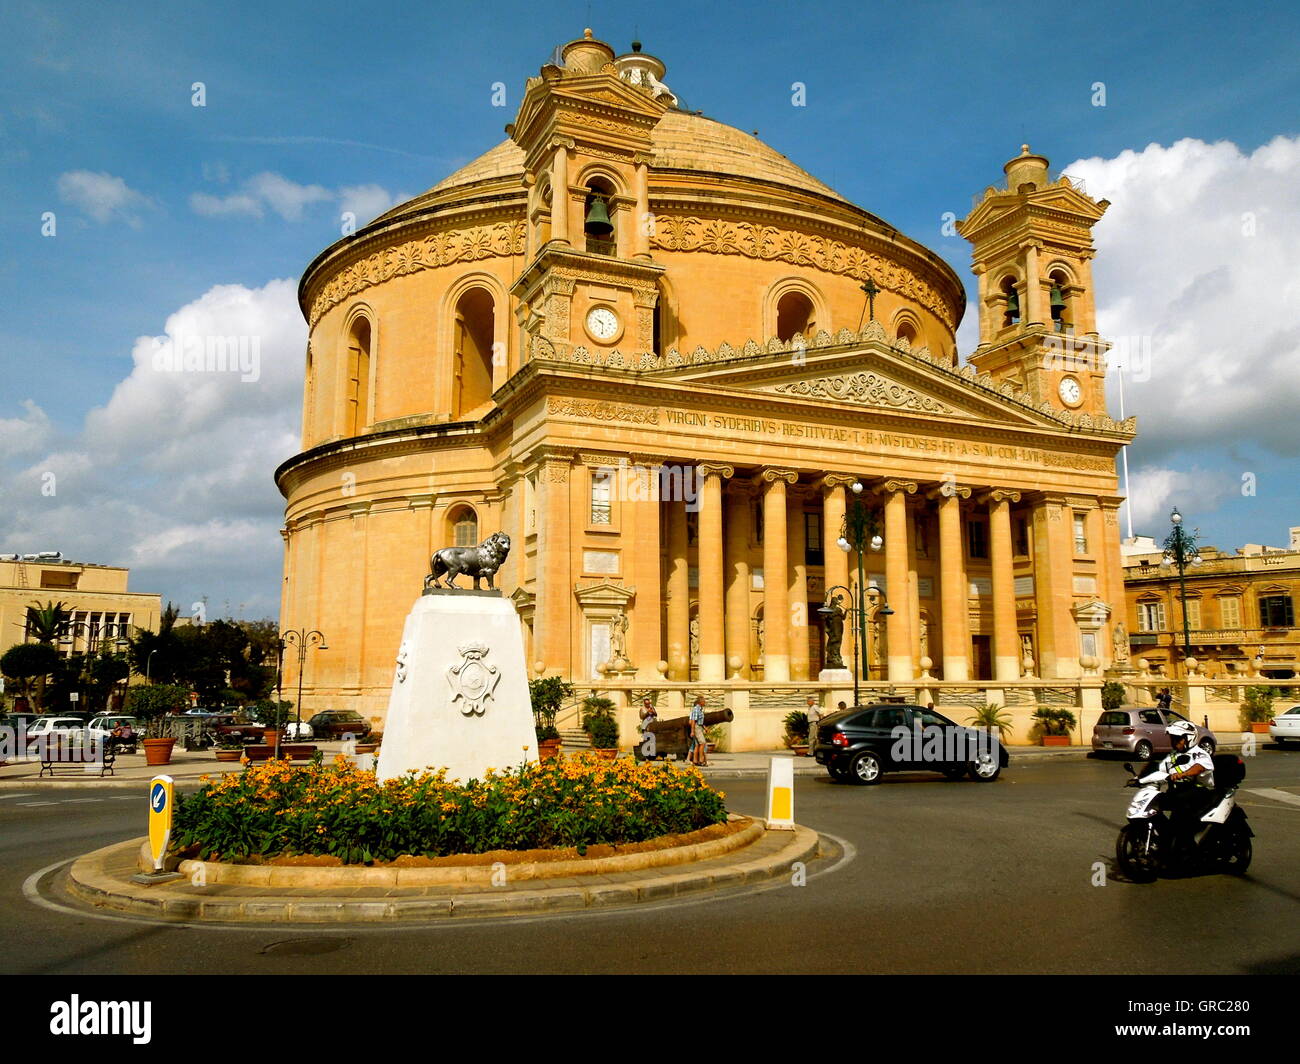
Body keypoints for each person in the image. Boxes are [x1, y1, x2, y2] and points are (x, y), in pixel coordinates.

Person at [1145, 719, 1215, 859]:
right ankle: (1166, 838)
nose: (1174, 741)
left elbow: (1200, 767)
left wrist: (1184, 774)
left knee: (1181, 810)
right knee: (1154, 802)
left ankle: (1186, 845)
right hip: (1180, 792)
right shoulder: (1173, 755)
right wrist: (1140, 778)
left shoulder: (1199, 753)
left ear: (1188, 738)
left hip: (1200, 792)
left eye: (1178, 739)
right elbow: (1160, 768)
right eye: (1173, 738)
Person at [688, 694, 708, 766]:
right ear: (700, 702)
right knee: (702, 743)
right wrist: (692, 731)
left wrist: (704, 727)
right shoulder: (696, 709)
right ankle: (701, 760)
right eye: (704, 701)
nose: (705, 702)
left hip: (699, 727)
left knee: (697, 745)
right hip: (696, 728)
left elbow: (700, 720)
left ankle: (695, 761)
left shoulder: (700, 709)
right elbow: (693, 721)